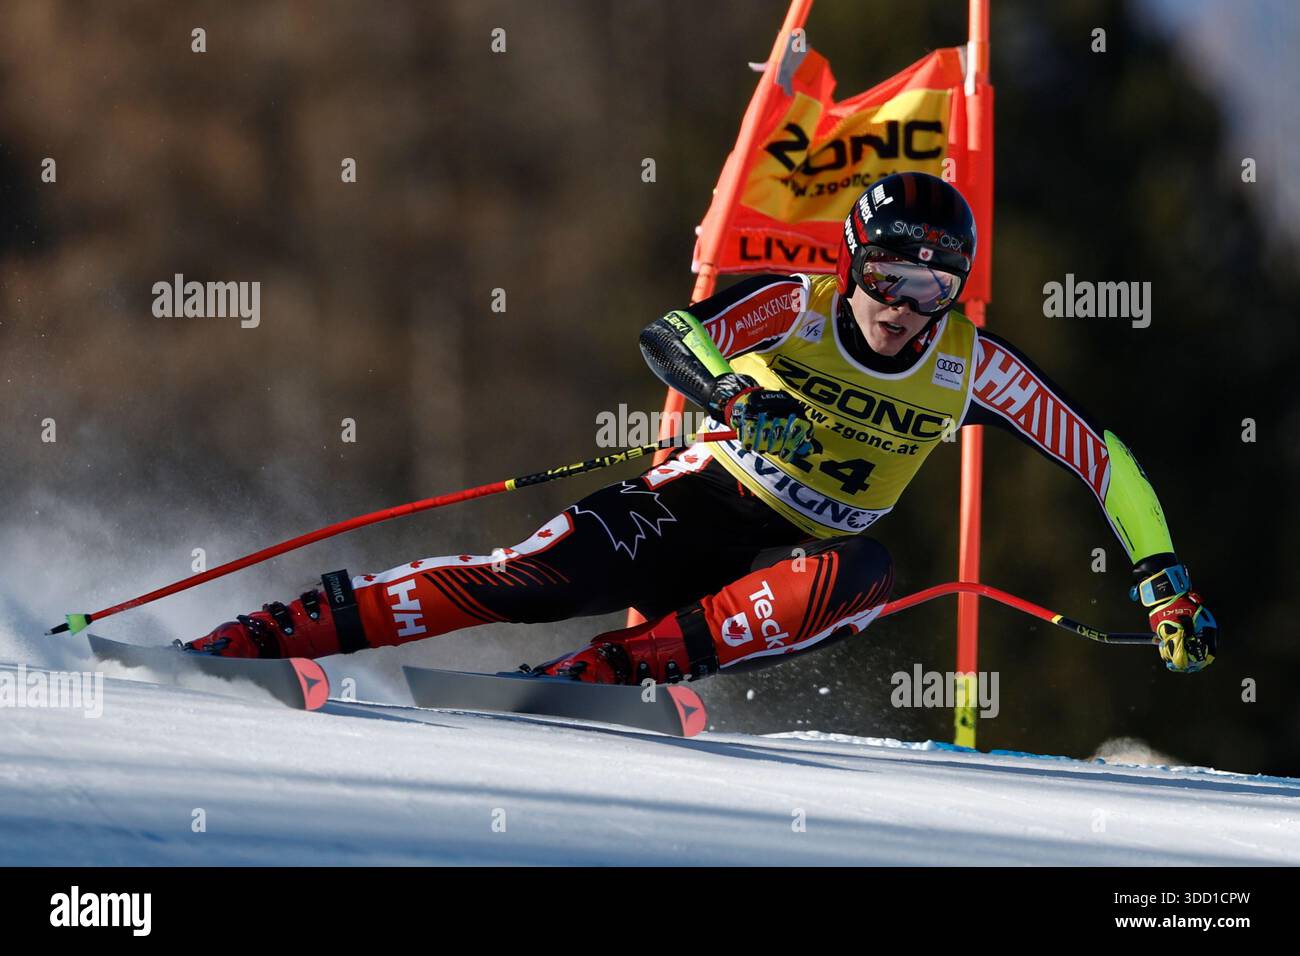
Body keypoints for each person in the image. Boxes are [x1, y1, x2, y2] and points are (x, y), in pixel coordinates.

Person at [186, 172, 1217, 680]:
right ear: (852, 264)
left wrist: (1160, 576)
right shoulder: (799, 305)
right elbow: (673, 329)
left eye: (934, 284)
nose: (906, 304)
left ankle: (602, 680)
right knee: (529, 583)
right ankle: (266, 636)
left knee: (865, 566)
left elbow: (1105, 458)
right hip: (695, 500)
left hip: (791, 559)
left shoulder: (971, 364)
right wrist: (734, 394)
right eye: (888, 276)